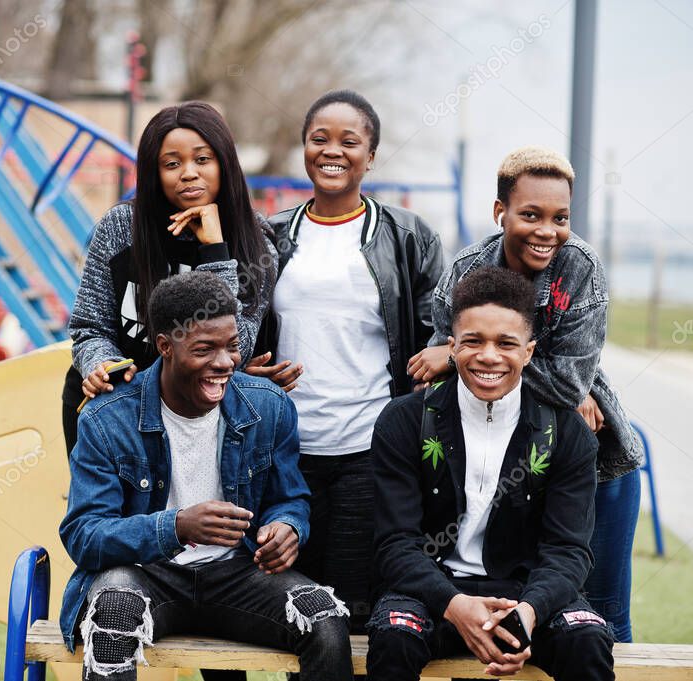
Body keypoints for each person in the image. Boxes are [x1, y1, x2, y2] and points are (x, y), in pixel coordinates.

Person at [59, 272, 352, 681]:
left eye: (232, 346)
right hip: (146, 575)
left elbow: (290, 498)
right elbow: (84, 535)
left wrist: (288, 527)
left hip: (235, 575)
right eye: (204, 349)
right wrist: (176, 527)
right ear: (165, 346)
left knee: (323, 618)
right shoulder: (107, 417)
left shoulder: (269, 405)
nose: (224, 362)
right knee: (115, 615)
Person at [407, 146, 643, 642]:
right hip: (506, 471)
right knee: (522, 609)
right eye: (531, 215)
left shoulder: (581, 269)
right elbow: (438, 375)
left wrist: (461, 358)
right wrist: (461, 361)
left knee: (604, 617)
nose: (547, 231)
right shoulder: (466, 270)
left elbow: (569, 383)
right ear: (501, 212)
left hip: (595, 462)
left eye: (561, 218)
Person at [249, 90, 444, 631]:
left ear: (371, 155)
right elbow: (235, 332)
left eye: (349, 141)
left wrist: (444, 353)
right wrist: (246, 373)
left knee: (356, 611)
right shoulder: (268, 236)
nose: (332, 151)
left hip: (368, 448)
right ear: (304, 149)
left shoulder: (407, 236)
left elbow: (441, 328)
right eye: (320, 139)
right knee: (298, 615)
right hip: (286, 454)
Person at [368, 266, 615, 681]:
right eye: (473, 341)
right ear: (451, 347)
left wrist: (528, 613)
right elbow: (395, 544)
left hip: (526, 594)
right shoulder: (404, 421)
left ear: (528, 352)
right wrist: (455, 605)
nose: (488, 356)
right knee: (395, 636)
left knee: (586, 637)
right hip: (431, 591)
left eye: (506, 343)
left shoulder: (566, 432)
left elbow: (568, 550)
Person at [62, 101, 277, 455]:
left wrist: (215, 251)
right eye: (172, 163)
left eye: (202, 159)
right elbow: (89, 328)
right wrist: (101, 365)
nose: (189, 173)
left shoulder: (257, 244)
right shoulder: (121, 227)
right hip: (115, 410)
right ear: (154, 173)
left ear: (224, 163)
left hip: (199, 416)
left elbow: (237, 346)